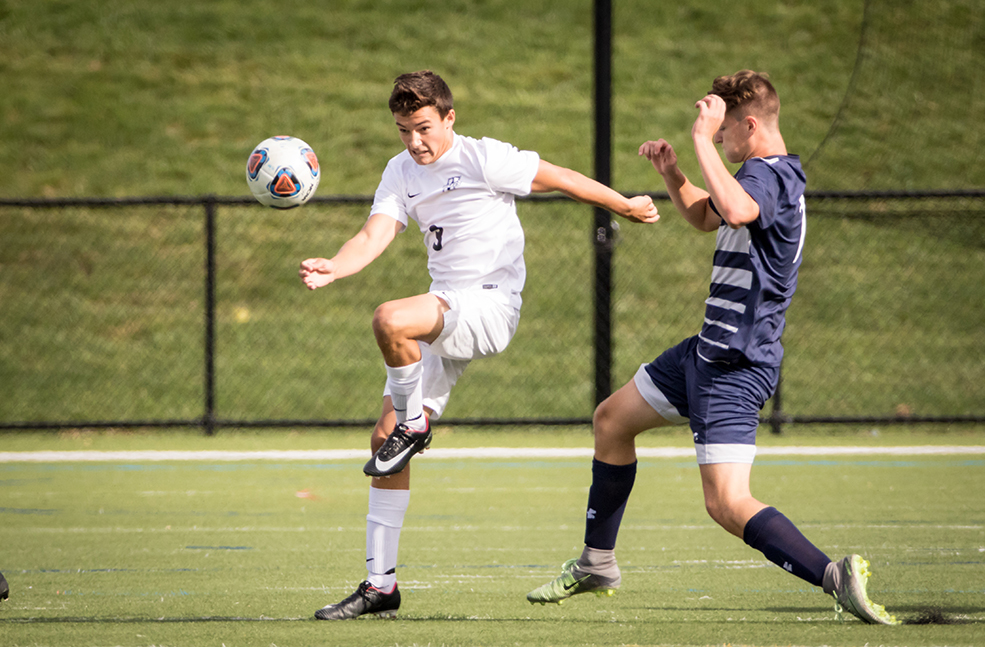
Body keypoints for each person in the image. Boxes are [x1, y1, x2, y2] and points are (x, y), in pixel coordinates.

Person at [525, 70, 898, 625]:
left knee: (725, 502)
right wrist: (675, 173)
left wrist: (700, 141)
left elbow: (742, 209)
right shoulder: (753, 175)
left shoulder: (771, 177)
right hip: (704, 353)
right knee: (611, 420)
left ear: (749, 124)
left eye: (724, 131)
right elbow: (708, 214)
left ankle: (833, 576)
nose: (718, 139)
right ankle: (597, 562)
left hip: (738, 365)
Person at [301, 70, 660, 620]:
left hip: (489, 305)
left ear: (449, 118)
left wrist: (625, 205)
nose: (414, 142)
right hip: (445, 309)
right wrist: (336, 266)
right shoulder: (400, 172)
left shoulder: (481, 157)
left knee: (390, 319)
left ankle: (413, 424)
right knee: (382, 441)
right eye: (402, 130)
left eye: (423, 127)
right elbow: (374, 234)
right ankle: (381, 586)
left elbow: (559, 176)